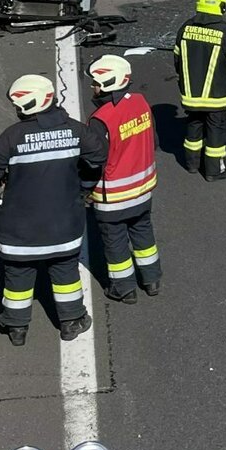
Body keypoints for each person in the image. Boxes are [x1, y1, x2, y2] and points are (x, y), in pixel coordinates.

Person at [0, 74, 90, 347]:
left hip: (19, 230)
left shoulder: (13, 136)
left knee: (19, 274)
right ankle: (71, 321)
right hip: (63, 225)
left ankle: (17, 328)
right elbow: (99, 155)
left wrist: (9, 173)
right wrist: (81, 183)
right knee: (65, 272)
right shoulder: (75, 130)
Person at [80, 55, 161, 301]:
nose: (92, 87)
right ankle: (152, 279)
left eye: (95, 82)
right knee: (143, 232)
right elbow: (153, 141)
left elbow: (94, 161)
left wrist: (83, 189)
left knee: (115, 242)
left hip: (113, 196)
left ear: (107, 84)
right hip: (143, 188)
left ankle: (124, 289)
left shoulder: (101, 119)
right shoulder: (140, 102)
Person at [175, 0, 226, 180]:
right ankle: (215, 171)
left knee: (194, 126)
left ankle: (191, 164)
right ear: (221, 6)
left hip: (192, 96)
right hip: (218, 97)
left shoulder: (185, 28)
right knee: (216, 132)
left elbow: (177, 60)